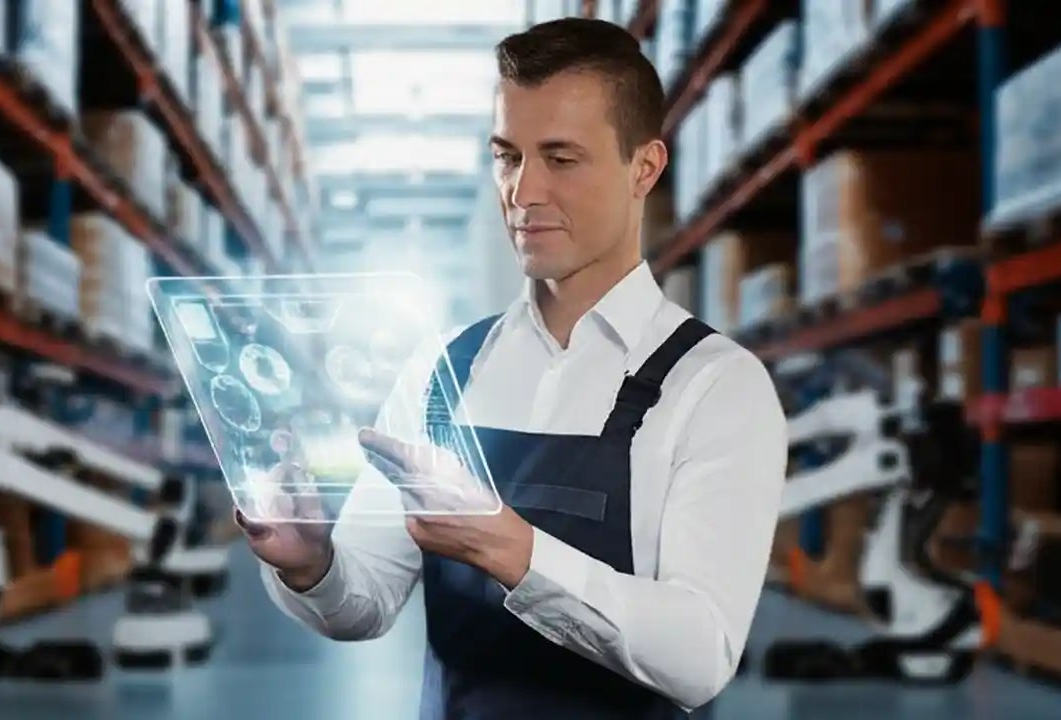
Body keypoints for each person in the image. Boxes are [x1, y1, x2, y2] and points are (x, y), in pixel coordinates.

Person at [235, 17, 788, 720]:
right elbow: (364, 604)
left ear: (643, 168)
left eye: (561, 159)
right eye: (507, 157)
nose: (523, 194)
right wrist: (310, 564)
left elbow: (701, 655)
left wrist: (515, 551)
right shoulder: (441, 372)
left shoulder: (714, 386)